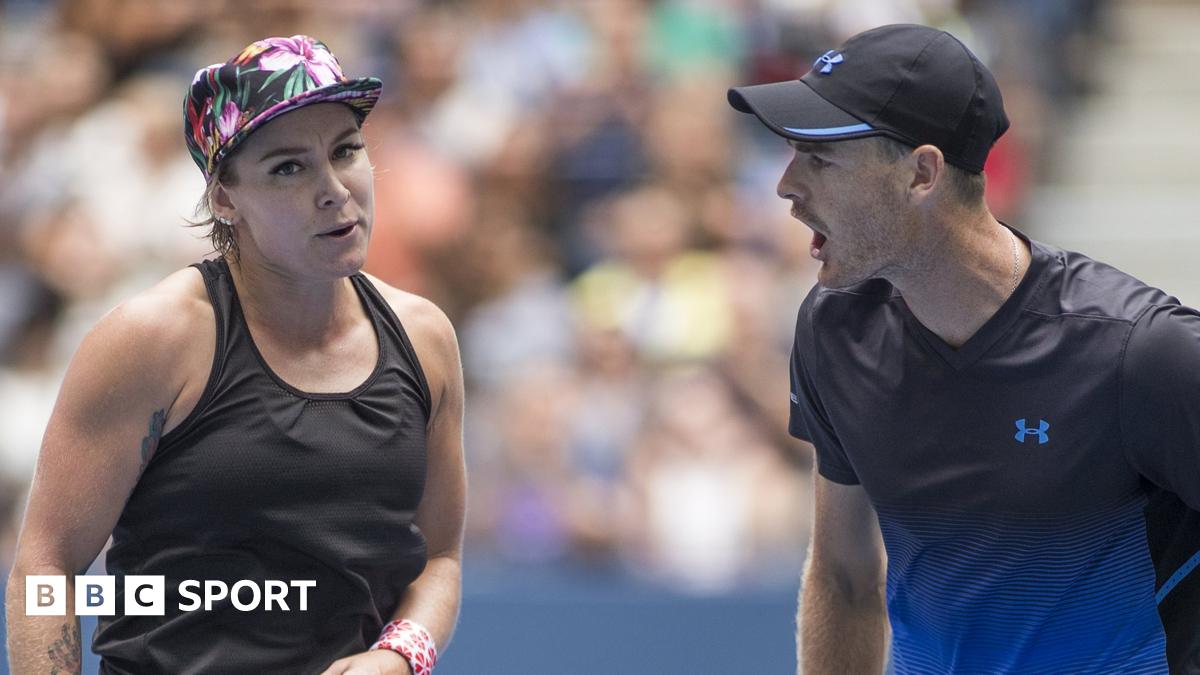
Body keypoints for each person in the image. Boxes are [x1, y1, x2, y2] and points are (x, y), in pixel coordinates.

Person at [728, 23, 1200, 674]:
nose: (786, 185)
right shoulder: (833, 328)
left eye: (821, 157)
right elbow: (843, 575)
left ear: (921, 173)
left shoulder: (1142, 351)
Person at [5, 35, 466, 675]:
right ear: (224, 197)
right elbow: (46, 570)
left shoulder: (425, 339)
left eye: (346, 150)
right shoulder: (152, 340)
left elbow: (440, 558)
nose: (334, 189)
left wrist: (399, 655)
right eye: (288, 167)